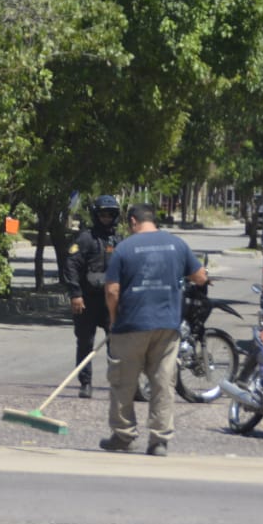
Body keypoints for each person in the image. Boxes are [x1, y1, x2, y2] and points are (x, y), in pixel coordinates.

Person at [99, 203, 206, 456]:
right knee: (162, 383)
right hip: (167, 326)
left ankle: (123, 436)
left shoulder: (124, 248)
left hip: (130, 325)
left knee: (123, 382)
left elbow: (112, 290)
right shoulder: (176, 244)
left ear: (133, 221)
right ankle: (159, 441)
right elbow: (200, 276)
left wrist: (113, 319)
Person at [64, 195, 122, 399]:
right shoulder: (85, 239)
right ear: (96, 215)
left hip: (110, 301)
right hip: (87, 301)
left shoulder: (119, 241)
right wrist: (75, 294)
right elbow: (71, 266)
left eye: (110, 214)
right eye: (103, 214)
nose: (106, 218)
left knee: (116, 344)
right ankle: (85, 383)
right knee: (85, 343)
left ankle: (116, 384)